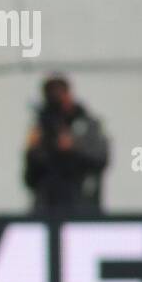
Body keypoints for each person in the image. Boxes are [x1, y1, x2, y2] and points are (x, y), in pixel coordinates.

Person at [23, 73, 110, 215]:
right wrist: (33, 151)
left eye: (59, 93)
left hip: (83, 206)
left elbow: (101, 159)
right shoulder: (43, 127)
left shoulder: (87, 125)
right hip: (47, 208)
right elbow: (30, 179)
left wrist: (74, 147)